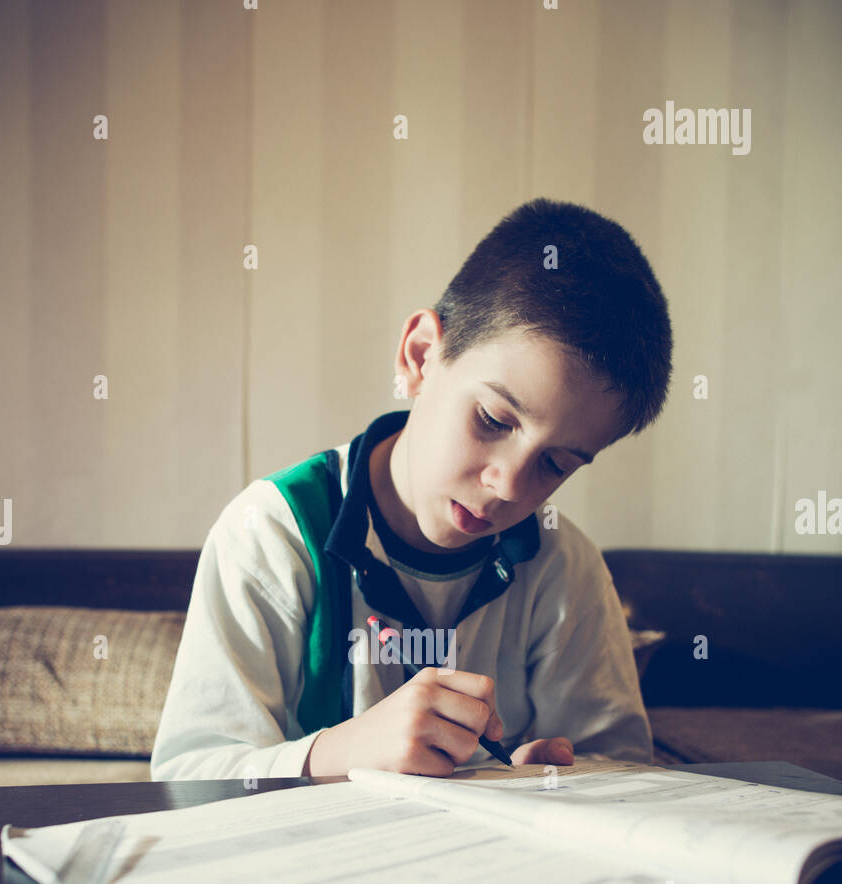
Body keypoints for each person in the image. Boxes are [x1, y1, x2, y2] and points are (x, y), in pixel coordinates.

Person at [151, 197, 672, 782]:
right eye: (494, 421)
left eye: (555, 464)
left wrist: (549, 777)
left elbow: (624, 769)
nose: (507, 485)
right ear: (421, 356)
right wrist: (343, 752)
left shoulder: (565, 567)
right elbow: (187, 777)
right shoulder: (270, 534)